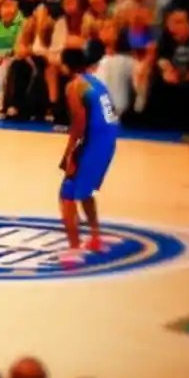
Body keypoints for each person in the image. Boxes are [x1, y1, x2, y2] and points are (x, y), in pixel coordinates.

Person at [57, 48, 119, 263]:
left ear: (66, 65)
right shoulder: (96, 82)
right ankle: (94, 236)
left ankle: (74, 247)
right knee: (84, 191)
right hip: (108, 141)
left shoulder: (74, 87)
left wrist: (69, 155)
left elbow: (79, 124)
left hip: (93, 143)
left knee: (66, 193)